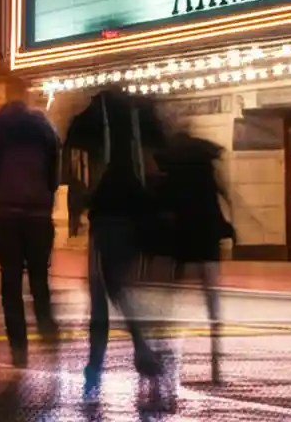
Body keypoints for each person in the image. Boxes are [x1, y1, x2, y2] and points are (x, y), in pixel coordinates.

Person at [64, 89, 169, 404]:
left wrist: (83, 198)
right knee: (121, 287)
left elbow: (70, 148)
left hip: (106, 217)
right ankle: (140, 349)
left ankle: (98, 364)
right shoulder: (141, 115)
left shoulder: (94, 117)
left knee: (103, 291)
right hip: (134, 219)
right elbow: (160, 158)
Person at [0, 100, 62, 368]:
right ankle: (46, 326)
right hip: (37, 213)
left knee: (10, 281)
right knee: (39, 277)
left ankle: (19, 347)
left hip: (5, 214)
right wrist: (47, 195)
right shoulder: (43, 127)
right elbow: (55, 168)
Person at [155, 128, 234, 385]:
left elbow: (163, 205)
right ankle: (216, 347)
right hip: (208, 240)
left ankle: (162, 339)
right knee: (211, 293)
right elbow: (219, 200)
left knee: (171, 293)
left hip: (182, 240)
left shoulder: (173, 174)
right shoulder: (206, 172)